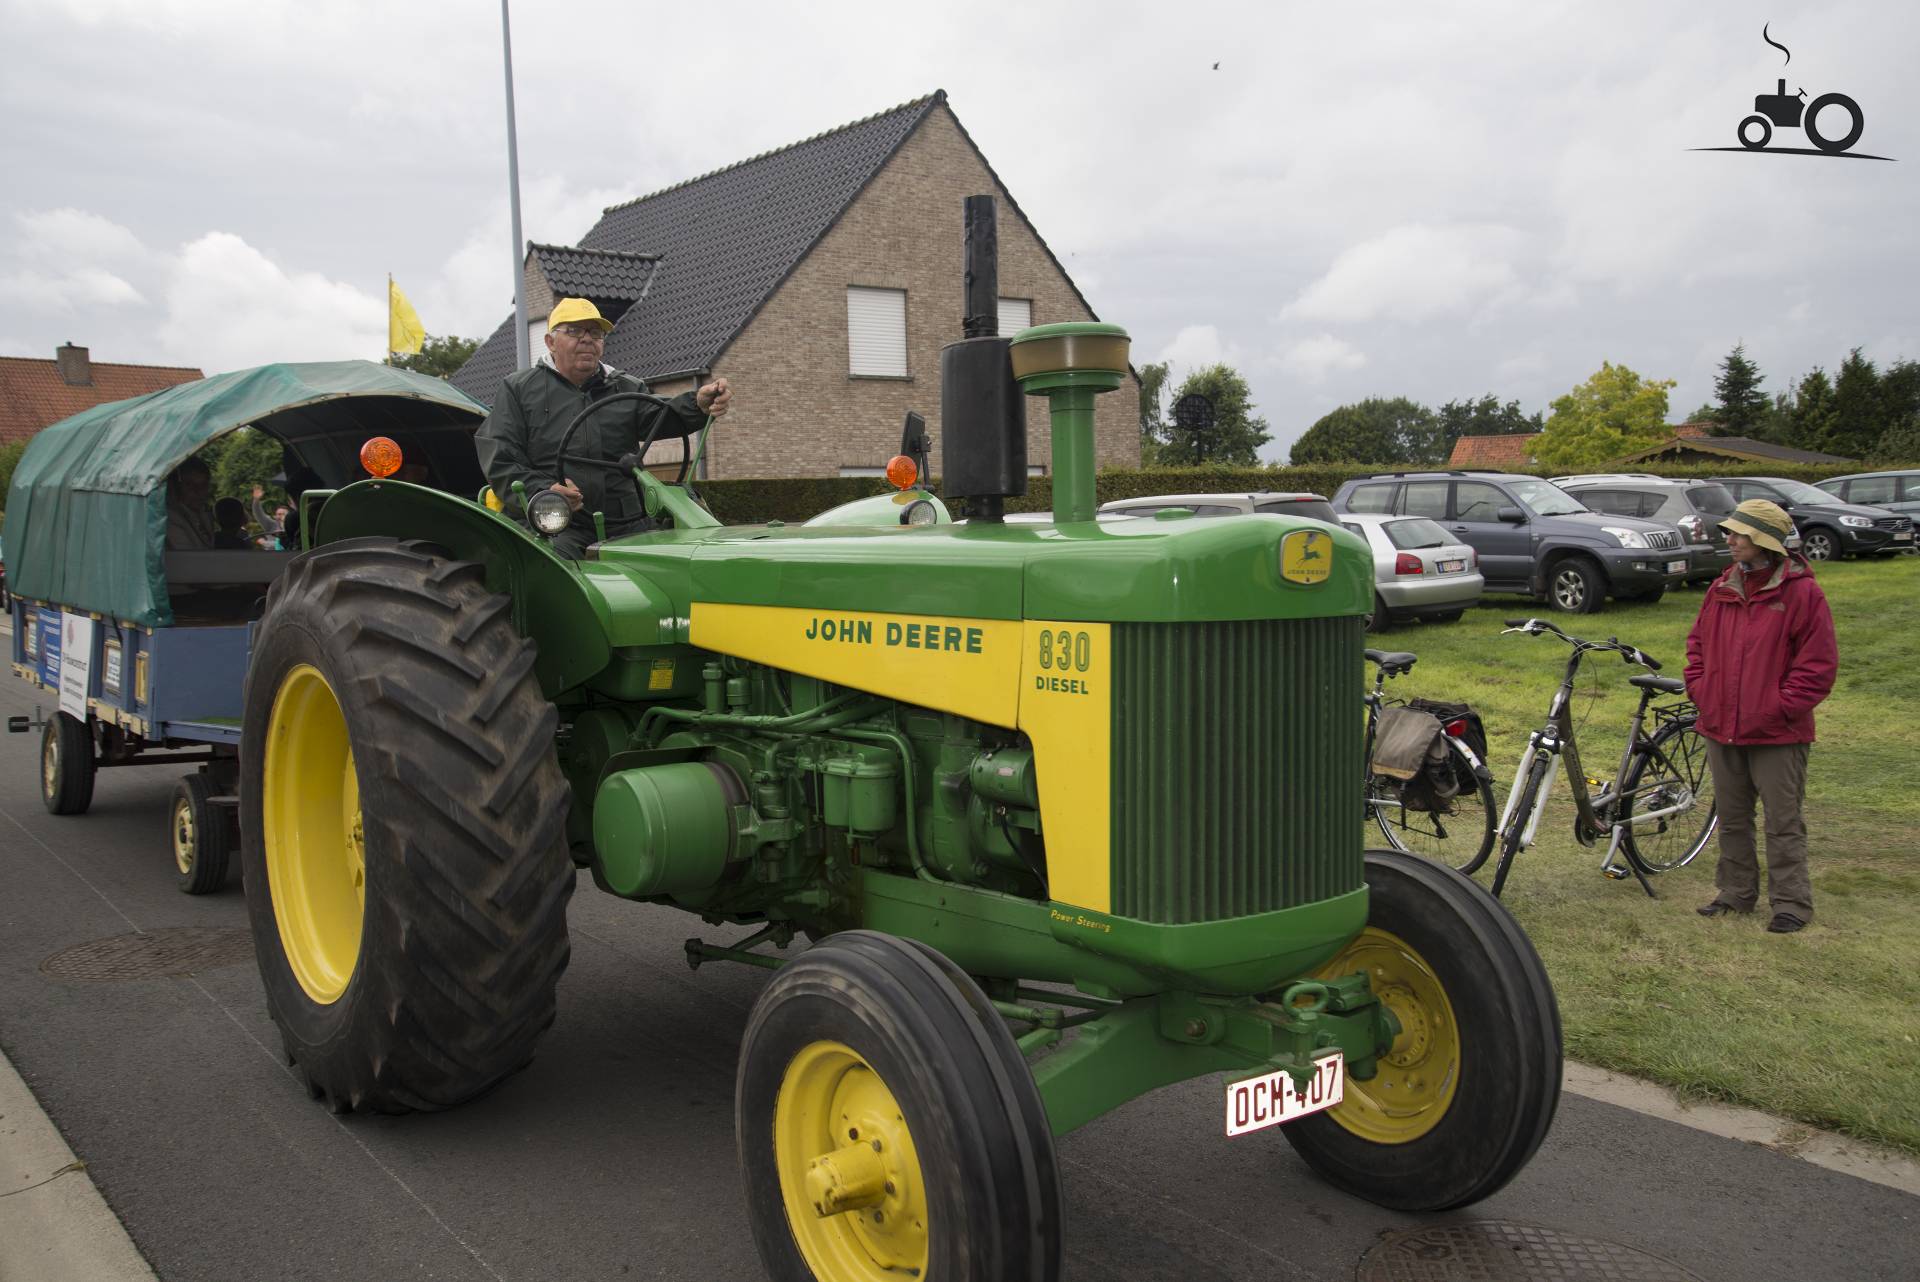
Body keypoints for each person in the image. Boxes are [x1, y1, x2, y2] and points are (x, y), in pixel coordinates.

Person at [474, 298, 732, 560]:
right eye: (574, 331)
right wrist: (545, 491)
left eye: (595, 332)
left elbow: (661, 417)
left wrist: (697, 403)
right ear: (551, 342)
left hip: (625, 521)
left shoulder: (626, 387)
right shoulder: (520, 390)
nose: (587, 339)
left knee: (678, 561)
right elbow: (501, 457)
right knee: (550, 569)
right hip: (557, 524)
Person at [1684, 499, 1838, 934]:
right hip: (1721, 726)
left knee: (1783, 821)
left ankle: (1790, 903)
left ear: (1764, 541)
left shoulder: (1803, 593)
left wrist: (1778, 708)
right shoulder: (1720, 588)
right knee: (1731, 817)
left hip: (1778, 734)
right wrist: (1703, 692)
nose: (1729, 540)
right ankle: (1735, 892)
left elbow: (1818, 667)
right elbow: (1696, 648)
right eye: (1729, 532)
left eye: (1738, 533)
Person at [165, 457, 216, 549]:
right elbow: (186, 556)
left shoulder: (205, 514)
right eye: (189, 485)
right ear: (176, 486)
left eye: (203, 485)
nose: (197, 491)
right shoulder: (171, 518)